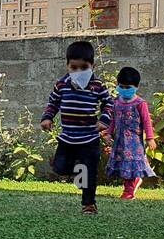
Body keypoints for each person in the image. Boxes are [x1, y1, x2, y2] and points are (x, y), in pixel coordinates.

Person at [40, 40, 113, 215]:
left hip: (89, 138)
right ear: (67, 66)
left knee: (90, 173)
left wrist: (104, 119)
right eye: (74, 67)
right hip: (68, 138)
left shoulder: (97, 85)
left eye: (84, 67)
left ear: (92, 66)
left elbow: (109, 103)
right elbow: (53, 103)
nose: (78, 71)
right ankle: (79, 172)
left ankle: (89, 204)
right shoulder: (62, 84)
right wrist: (47, 117)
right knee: (60, 168)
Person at [106, 66, 155, 200]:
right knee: (123, 166)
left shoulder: (140, 103)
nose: (124, 90)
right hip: (120, 141)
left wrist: (150, 138)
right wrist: (109, 133)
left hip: (134, 143)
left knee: (131, 164)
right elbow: (112, 120)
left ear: (136, 87)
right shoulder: (115, 102)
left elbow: (146, 121)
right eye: (122, 86)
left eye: (128, 87)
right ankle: (132, 183)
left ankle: (129, 190)